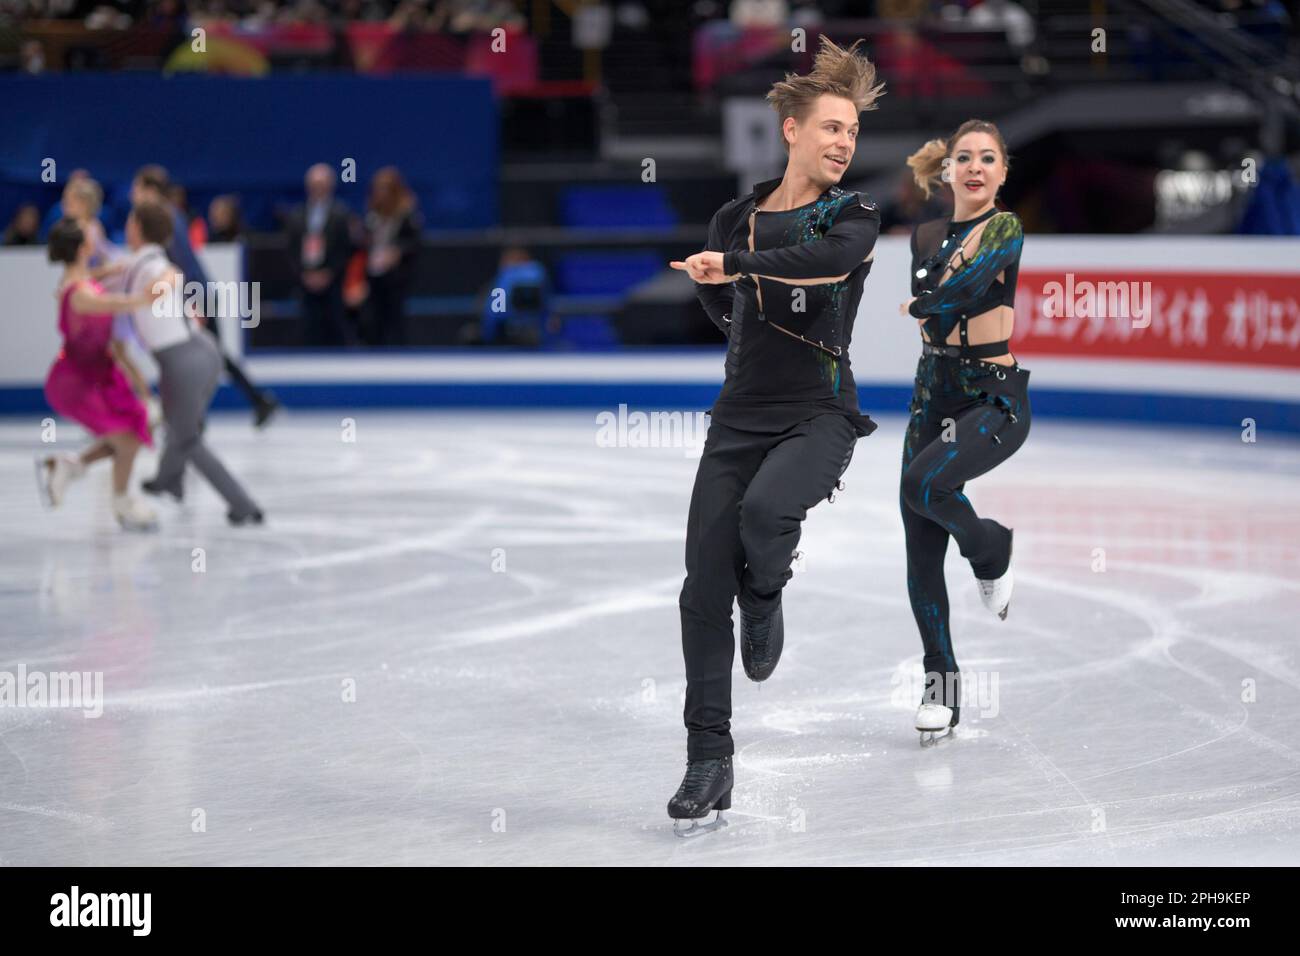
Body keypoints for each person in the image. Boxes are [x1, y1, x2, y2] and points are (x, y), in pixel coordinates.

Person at [665, 36, 884, 834]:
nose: (842, 143)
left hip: (820, 412)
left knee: (765, 519)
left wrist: (739, 268)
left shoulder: (853, 214)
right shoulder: (736, 219)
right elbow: (726, 314)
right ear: (791, 131)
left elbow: (826, 265)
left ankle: (766, 593)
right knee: (698, 589)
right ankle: (708, 757)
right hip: (738, 418)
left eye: (852, 133)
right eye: (830, 128)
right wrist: (729, 272)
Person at [900, 119, 1031, 745]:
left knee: (924, 484)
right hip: (932, 392)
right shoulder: (924, 233)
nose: (975, 167)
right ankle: (941, 685)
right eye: (963, 158)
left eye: (988, 159)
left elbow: (964, 288)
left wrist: (926, 300)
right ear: (948, 169)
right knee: (918, 539)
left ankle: (990, 548)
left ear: (1003, 172)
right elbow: (930, 286)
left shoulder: (1006, 228)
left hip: (992, 397)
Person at [123, 201, 265, 527]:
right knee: (179, 425)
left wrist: (151, 294)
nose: (126, 225)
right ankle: (168, 480)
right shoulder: (143, 260)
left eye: (131, 220)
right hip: (196, 354)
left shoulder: (152, 264)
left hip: (184, 360)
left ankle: (243, 505)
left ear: (140, 228)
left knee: (186, 436)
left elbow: (169, 277)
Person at [131, 165, 280, 427]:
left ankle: (199, 415)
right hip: (197, 291)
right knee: (211, 354)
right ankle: (251, 402)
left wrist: (191, 301)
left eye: (138, 187)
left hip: (195, 293)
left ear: (150, 190)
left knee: (205, 355)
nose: (134, 193)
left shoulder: (164, 217)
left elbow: (181, 261)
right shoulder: (169, 214)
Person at [38, 219, 159, 531]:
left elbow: (89, 281)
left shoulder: (78, 280)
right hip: (77, 382)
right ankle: (121, 502)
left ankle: (72, 466)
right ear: (83, 248)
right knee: (128, 440)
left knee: (130, 433)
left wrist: (109, 272)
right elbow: (110, 303)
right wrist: (147, 298)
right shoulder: (78, 292)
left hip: (96, 374)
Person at [285, 163, 355, 347]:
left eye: (322, 184)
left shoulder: (341, 214)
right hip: (305, 280)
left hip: (333, 280)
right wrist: (303, 274)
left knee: (335, 324)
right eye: (315, 184)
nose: (318, 188)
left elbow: (345, 248)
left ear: (330, 185)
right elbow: (291, 249)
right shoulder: (297, 215)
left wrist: (329, 272)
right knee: (308, 326)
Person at [360, 167, 420, 346]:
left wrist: (397, 252)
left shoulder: (406, 215)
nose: (382, 193)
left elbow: (415, 243)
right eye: (378, 188)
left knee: (394, 318)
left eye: (386, 188)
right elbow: (365, 243)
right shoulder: (372, 215)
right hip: (373, 275)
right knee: (372, 318)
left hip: (396, 277)